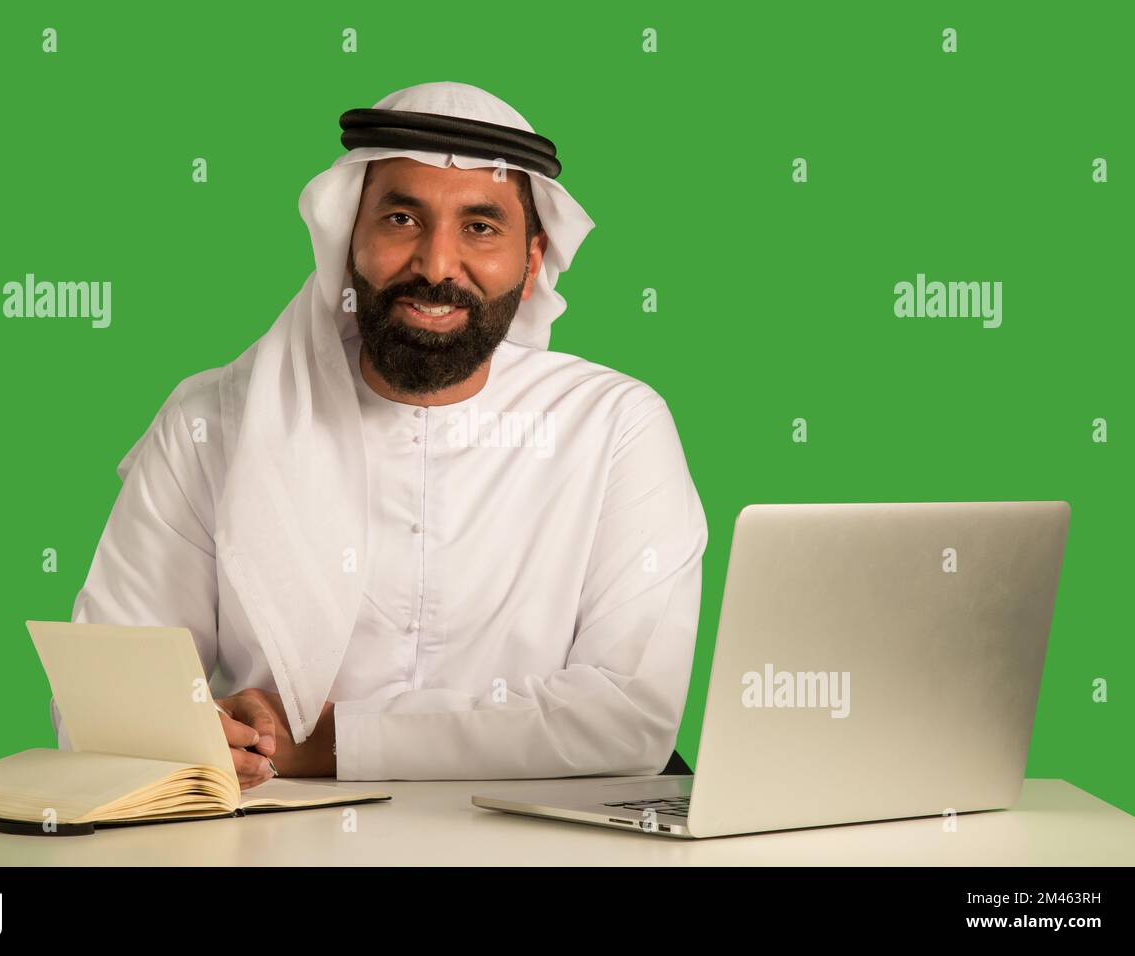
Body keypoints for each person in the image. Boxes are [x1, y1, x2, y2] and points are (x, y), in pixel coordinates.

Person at [55, 80, 708, 785]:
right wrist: (186, 732)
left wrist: (334, 742)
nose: (435, 265)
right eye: (401, 219)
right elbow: (106, 694)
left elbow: (625, 719)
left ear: (530, 263)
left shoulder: (614, 425)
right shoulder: (212, 423)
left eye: (481, 227)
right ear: (348, 241)